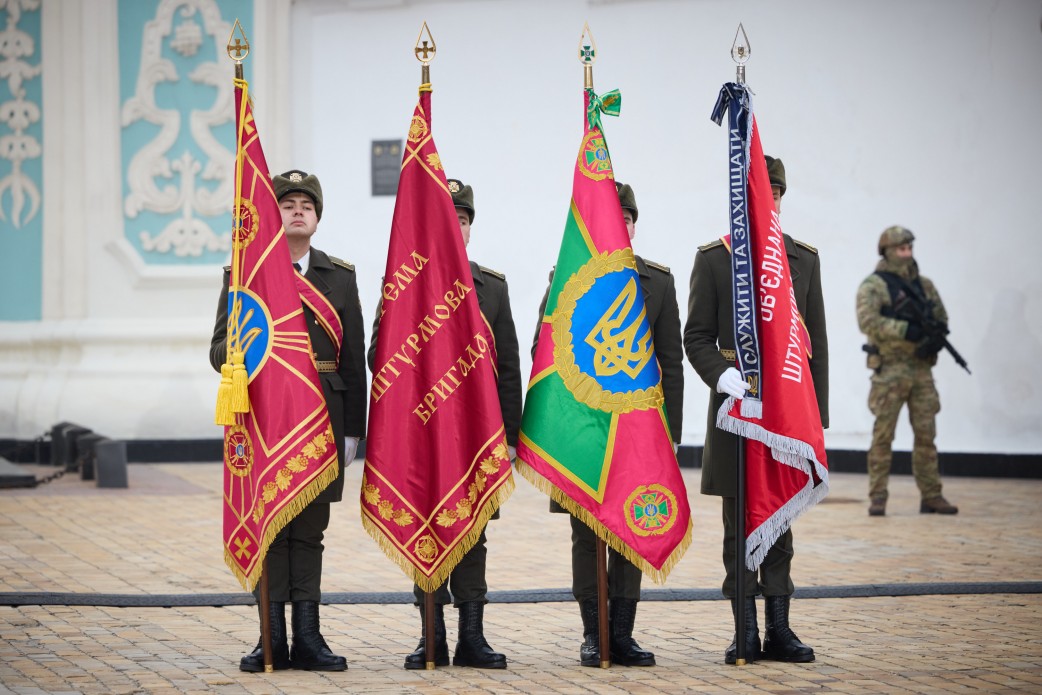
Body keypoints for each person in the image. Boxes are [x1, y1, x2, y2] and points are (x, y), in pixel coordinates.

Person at [209, 169, 367, 672]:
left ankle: (309, 638)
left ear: (317, 218)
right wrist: (243, 350)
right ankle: (270, 638)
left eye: (307, 204)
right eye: (288, 203)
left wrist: (351, 432)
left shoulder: (339, 277)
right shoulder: (244, 273)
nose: (298, 210)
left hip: (323, 416)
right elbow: (217, 350)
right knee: (271, 529)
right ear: (272, 215)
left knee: (309, 534)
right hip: (266, 421)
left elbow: (352, 361)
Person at [367, 178, 522, 670]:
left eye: (462, 219)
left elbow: (511, 368)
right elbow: (377, 356)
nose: (456, 227)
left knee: (473, 532)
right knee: (424, 524)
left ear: (471, 229)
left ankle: (471, 638)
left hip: (476, 435)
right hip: (421, 433)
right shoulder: (402, 284)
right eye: (446, 219)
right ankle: (429, 635)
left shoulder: (491, 287)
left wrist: (513, 439)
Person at [534, 182, 684, 667]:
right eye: (610, 215)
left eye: (626, 216)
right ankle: (592, 632)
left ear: (634, 226)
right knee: (587, 535)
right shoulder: (569, 275)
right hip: (582, 428)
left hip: (639, 432)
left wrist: (672, 434)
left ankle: (622, 633)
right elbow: (546, 355)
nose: (619, 224)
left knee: (633, 527)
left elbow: (671, 362)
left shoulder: (657, 282)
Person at [683, 156, 826, 665]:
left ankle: (780, 629)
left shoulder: (802, 259)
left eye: (774, 194)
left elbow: (816, 346)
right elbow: (695, 335)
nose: (768, 203)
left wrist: (816, 423)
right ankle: (744, 628)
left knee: (780, 525)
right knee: (738, 524)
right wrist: (720, 376)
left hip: (785, 421)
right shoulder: (716, 259)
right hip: (736, 414)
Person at [856, 226, 958, 517]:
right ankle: (878, 497)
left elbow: (940, 317)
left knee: (927, 436)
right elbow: (868, 322)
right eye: (901, 249)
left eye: (909, 249)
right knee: (883, 437)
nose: (907, 254)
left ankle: (932, 495)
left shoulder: (924, 286)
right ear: (888, 251)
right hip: (890, 372)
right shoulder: (873, 285)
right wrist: (905, 330)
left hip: (921, 371)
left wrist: (931, 338)